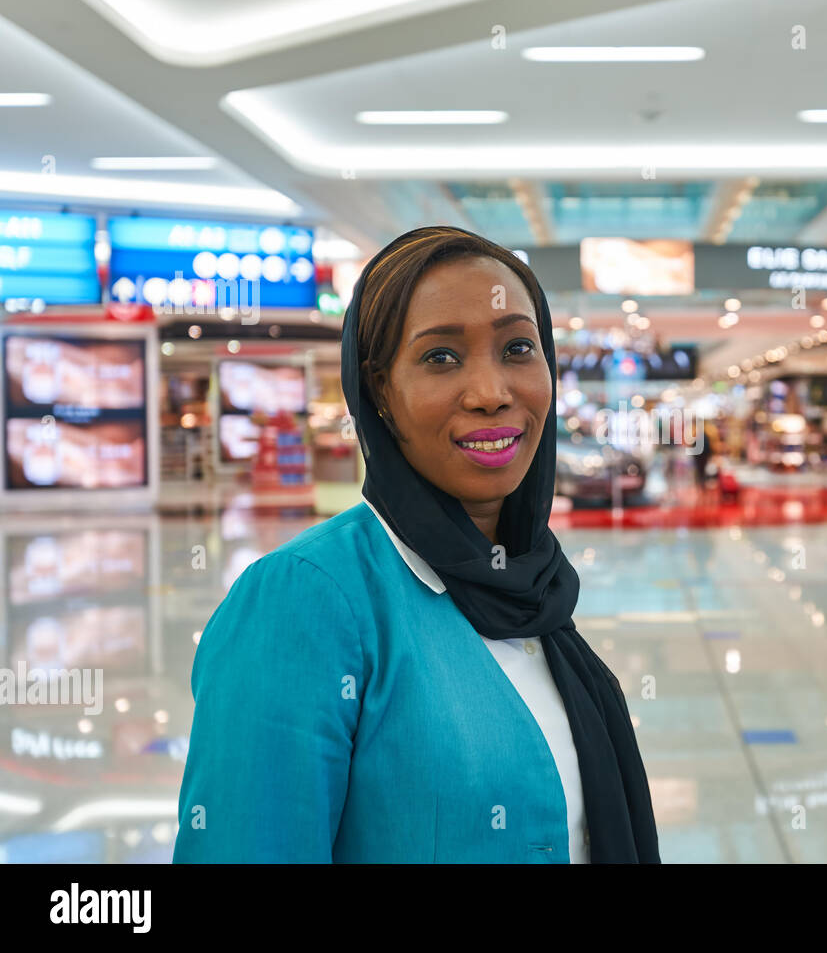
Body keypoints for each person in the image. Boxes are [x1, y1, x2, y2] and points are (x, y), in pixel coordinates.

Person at [174, 226, 660, 863]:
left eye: (518, 347)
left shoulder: (535, 591)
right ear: (380, 392)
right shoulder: (303, 600)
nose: (492, 392)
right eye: (441, 358)